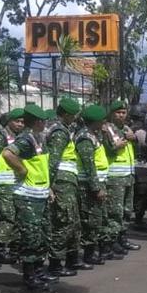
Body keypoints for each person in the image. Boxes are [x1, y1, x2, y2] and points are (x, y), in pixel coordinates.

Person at [2, 104, 54, 289]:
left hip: (39, 194)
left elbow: (41, 167)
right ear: (38, 122)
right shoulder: (26, 139)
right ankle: (29, 274)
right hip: (27, 196)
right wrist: (22, 169)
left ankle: (39, 270)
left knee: (42, 234)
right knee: (30, 236)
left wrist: (48, 189)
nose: (46, 124)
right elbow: (7, 153)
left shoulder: (37, 138)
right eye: (44, 121)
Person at [47, 98, 84, 277]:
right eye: (74, 115)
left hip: (68, 181)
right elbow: (53, 161)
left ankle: (71, 258)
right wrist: (49, 185)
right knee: (63, 221)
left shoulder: (63, 129)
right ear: (67, 114)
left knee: (72, 221)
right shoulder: (59, 132)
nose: (75, 118)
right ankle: (55, 263)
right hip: (61, 182)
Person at [74, 104, 110, 265]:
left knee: (97, 218)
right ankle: (88, 253)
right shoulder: (85, 138)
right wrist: (96, 188)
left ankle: (92, 250)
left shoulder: (93, 135)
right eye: (102, 120)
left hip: (97, 183)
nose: (104, 123)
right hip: (87, 185)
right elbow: (89, 166)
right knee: (89, 219)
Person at [104, 100, 140, 256]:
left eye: (123, 112)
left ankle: (122, 238)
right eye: (118, 112)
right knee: (115, 212)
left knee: (127, 210)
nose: (121, 115)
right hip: (115, 177)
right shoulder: (108, 129)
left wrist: (134, 139)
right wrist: (116, 146)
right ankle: (111, 242)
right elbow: (108, 149)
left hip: (128, 176)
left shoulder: (126, 128)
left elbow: (136, 149)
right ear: (112, 114)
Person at [0, 109, 22, 265]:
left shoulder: (20, 137)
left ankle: (14, 248)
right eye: (17, 121)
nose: (20, 124)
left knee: (15, 217)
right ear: (9, 121)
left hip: (15, 183)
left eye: (22, 122)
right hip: (3, 183)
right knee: (5, 216)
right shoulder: (0, 136)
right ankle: (0, 249)